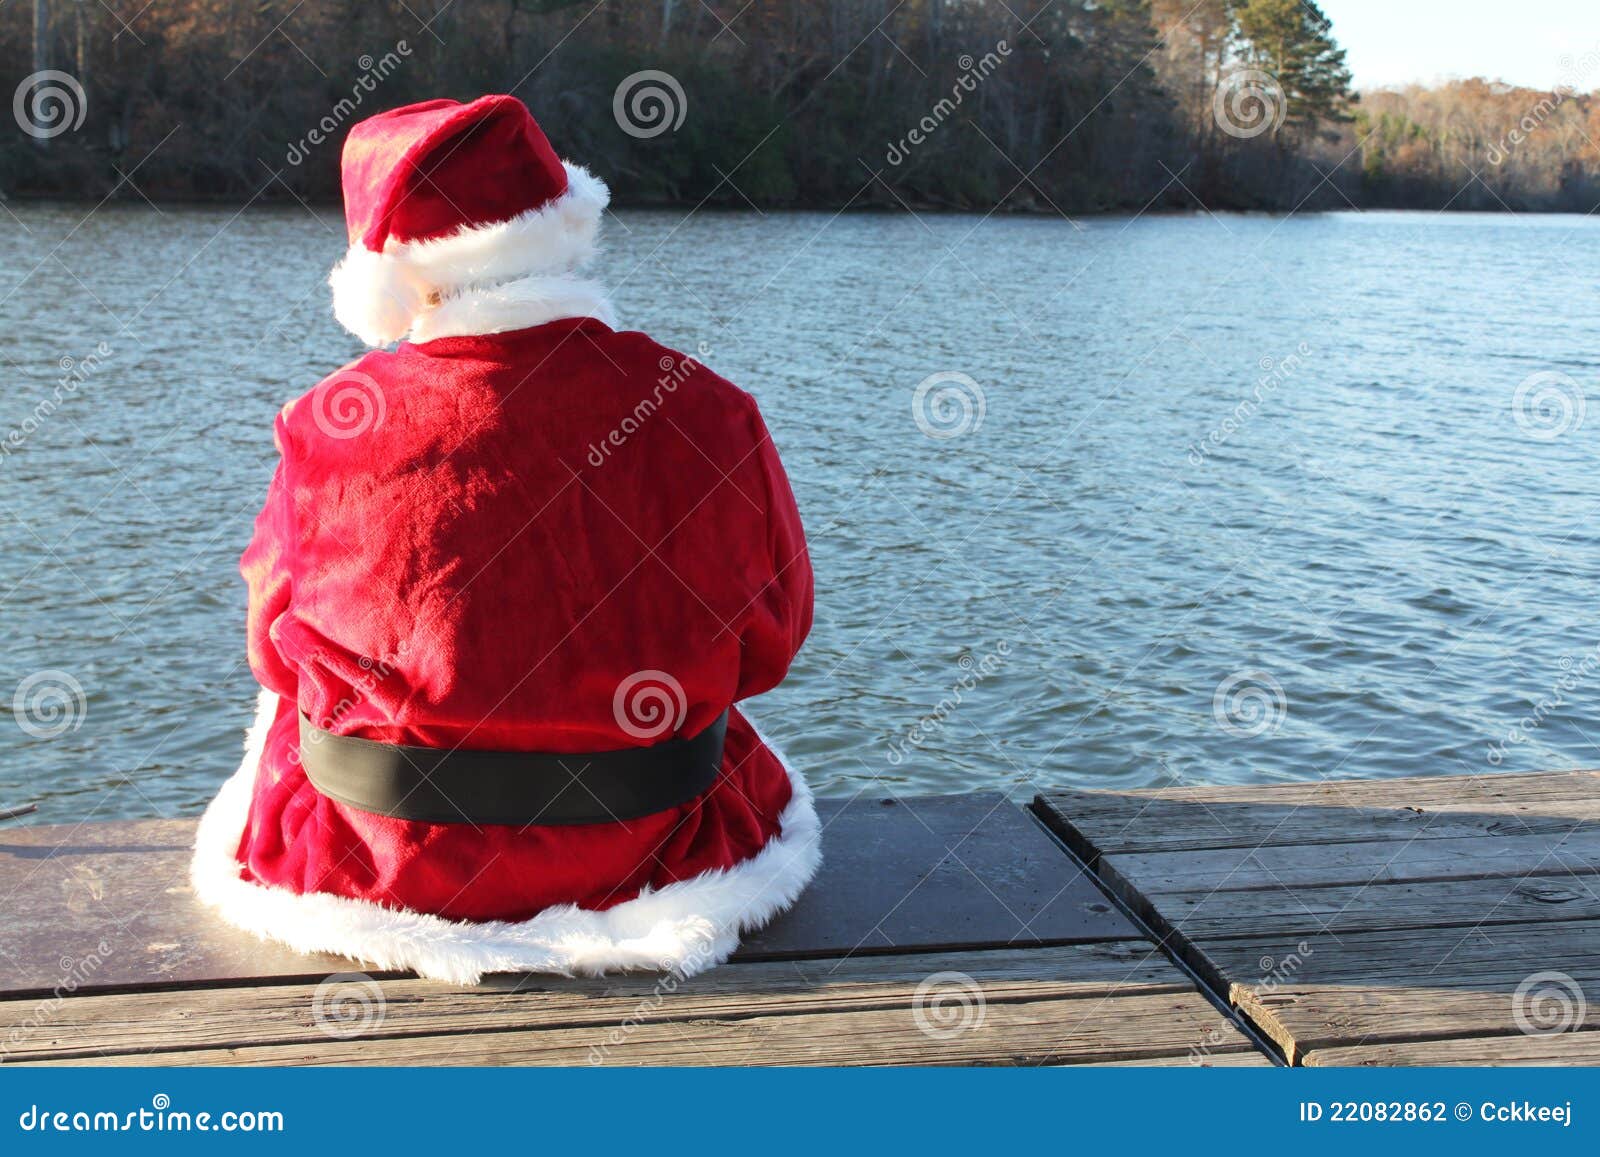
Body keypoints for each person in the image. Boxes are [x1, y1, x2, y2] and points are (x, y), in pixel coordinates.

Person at [191, 95, 819, 984]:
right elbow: (771, 643)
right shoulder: (710, 410)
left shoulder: (328, 423)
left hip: (381, 856)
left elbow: (273, 652)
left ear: (387, 276)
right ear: (566, 228)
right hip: (653, 850)